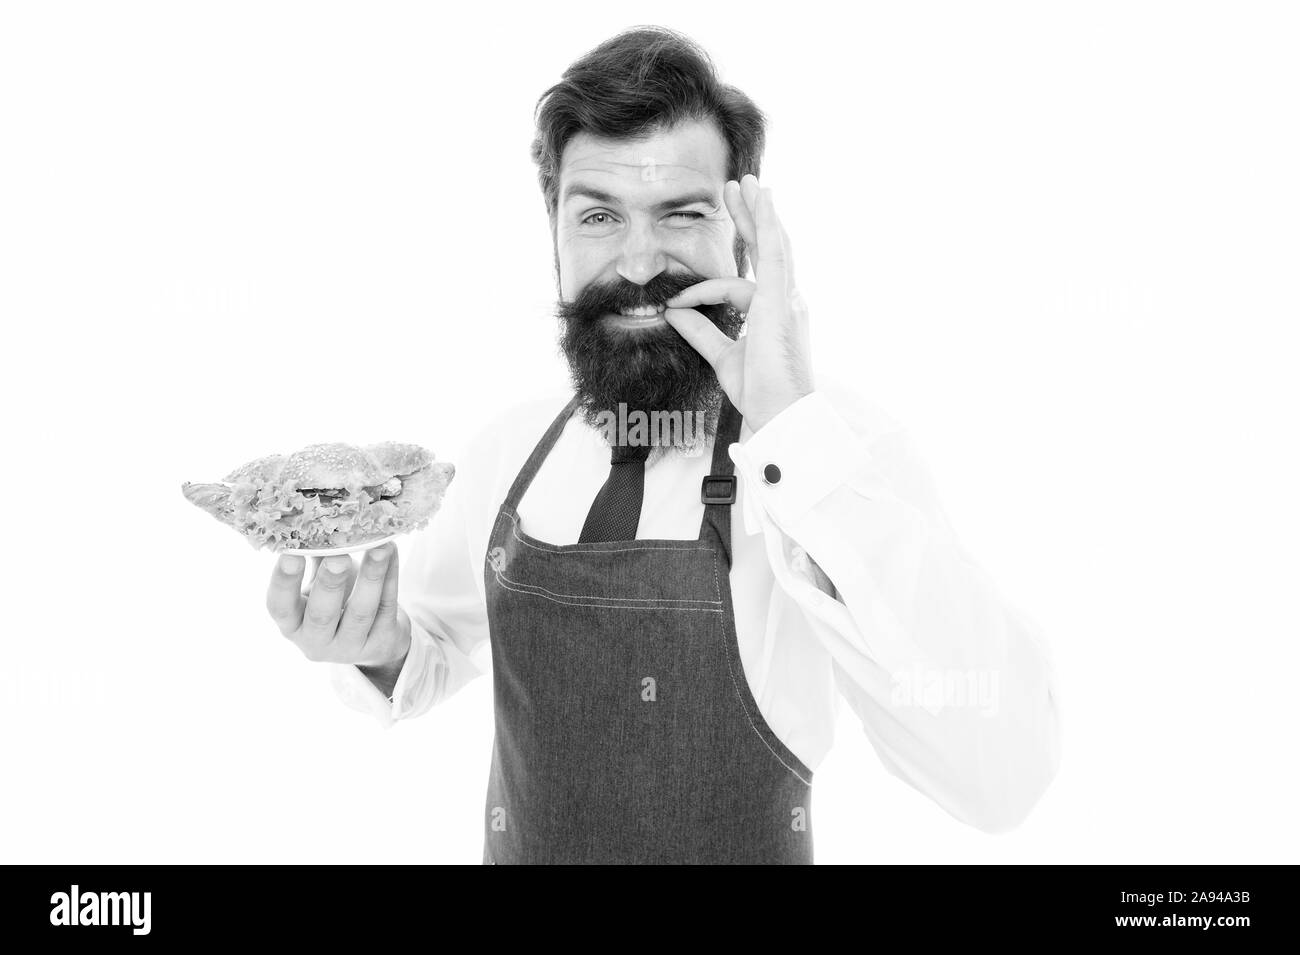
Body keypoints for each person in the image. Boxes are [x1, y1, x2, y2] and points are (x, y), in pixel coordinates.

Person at [264, 26, 1061, 864]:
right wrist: (379, 649)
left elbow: (1001, 777)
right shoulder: (510, 449)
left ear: (740, 235)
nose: (639, 263)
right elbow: (428, 644)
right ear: (556, 237)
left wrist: (794, 434)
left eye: (681, 213)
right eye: (599, 216)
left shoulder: (834, 453)